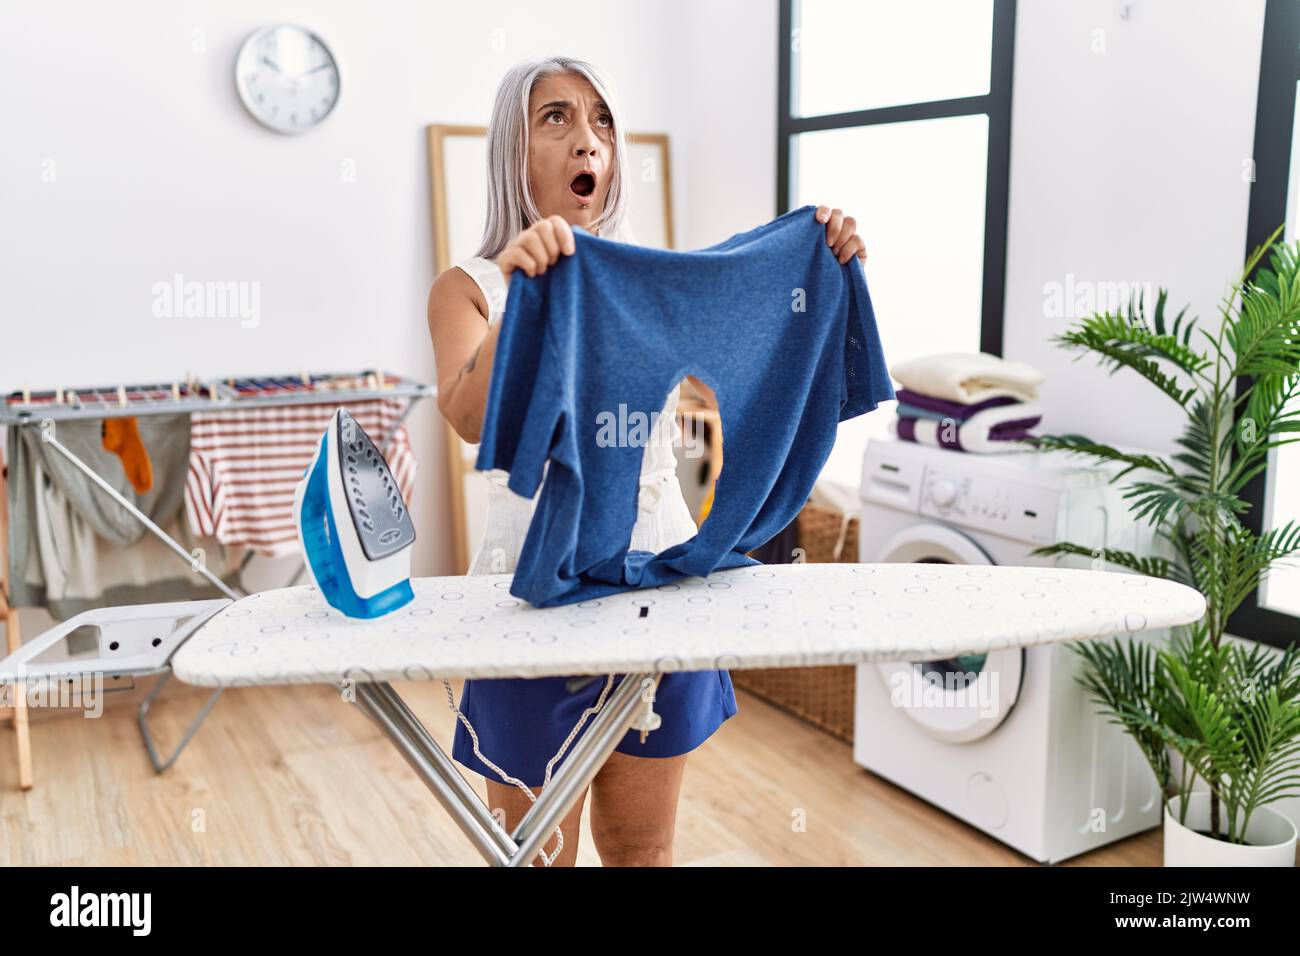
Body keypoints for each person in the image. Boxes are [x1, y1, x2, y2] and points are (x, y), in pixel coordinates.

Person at [426, 55, 867, 867]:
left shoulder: (647, 280)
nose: (585, 138)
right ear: (509, 150)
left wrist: (817, 263)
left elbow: (750, 323)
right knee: (531, 850)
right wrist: (528, 286)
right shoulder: (472, 286)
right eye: (554, 117)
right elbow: (464, 415)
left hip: (661, 578)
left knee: (640, 845)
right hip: (528, 593)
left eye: (600, 120)